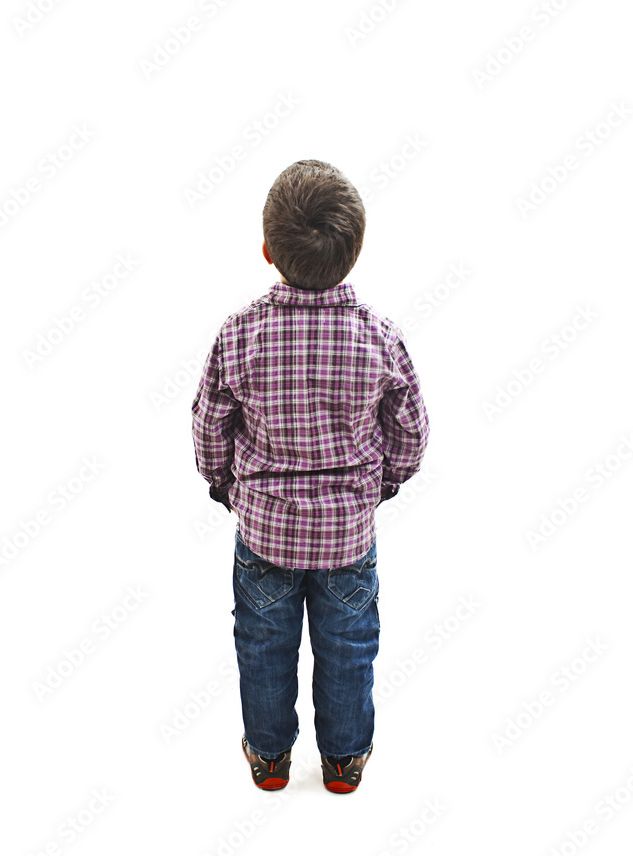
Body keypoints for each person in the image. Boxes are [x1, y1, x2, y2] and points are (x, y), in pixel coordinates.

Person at [191, 159, 430, 793]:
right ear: (355, 252)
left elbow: (210, 423)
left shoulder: (239, 334)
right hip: (348, 536)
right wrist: (385, 483)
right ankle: (344, 761)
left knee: (263, 647)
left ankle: (269, 761)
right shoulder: (379, 338)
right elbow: (411, 432)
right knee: (349, 648)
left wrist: (224, 483)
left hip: (265, 532)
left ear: (267, 250)